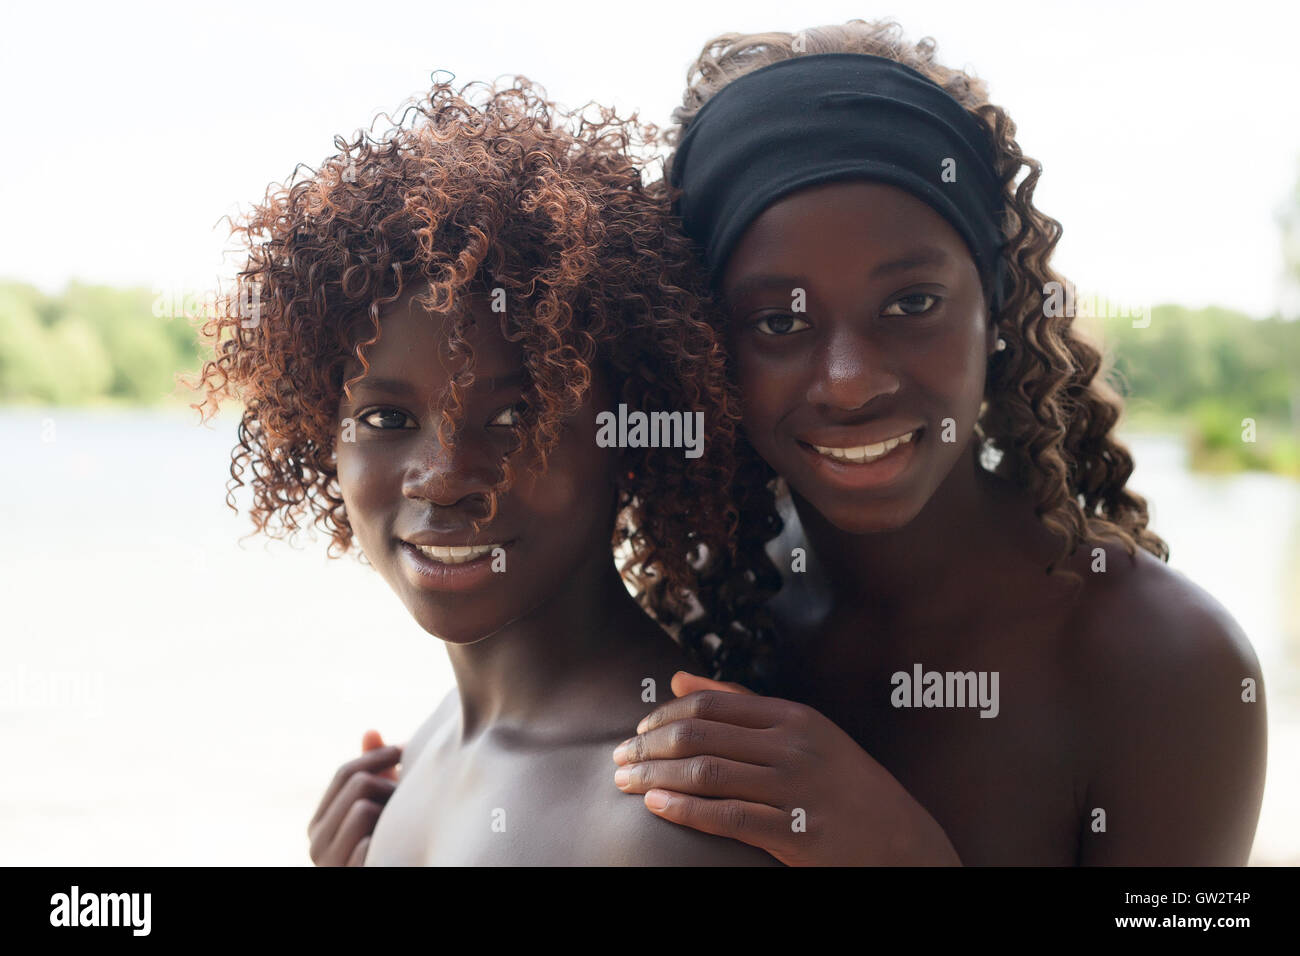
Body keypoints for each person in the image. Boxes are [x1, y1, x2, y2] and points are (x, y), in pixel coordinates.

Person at [607, 19, 1267, 866]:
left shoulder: (1163, 666)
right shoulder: (706, 614)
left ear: (997, 310)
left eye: (912, 304)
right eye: (778, 321)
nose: (850, 380)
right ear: (712, 349)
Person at [194, 76, 779, 865]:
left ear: (633, 438)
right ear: (318, 436)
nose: (442, 476)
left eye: (516, 419)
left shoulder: (658, 815)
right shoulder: (429, 751)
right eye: (385, 419)